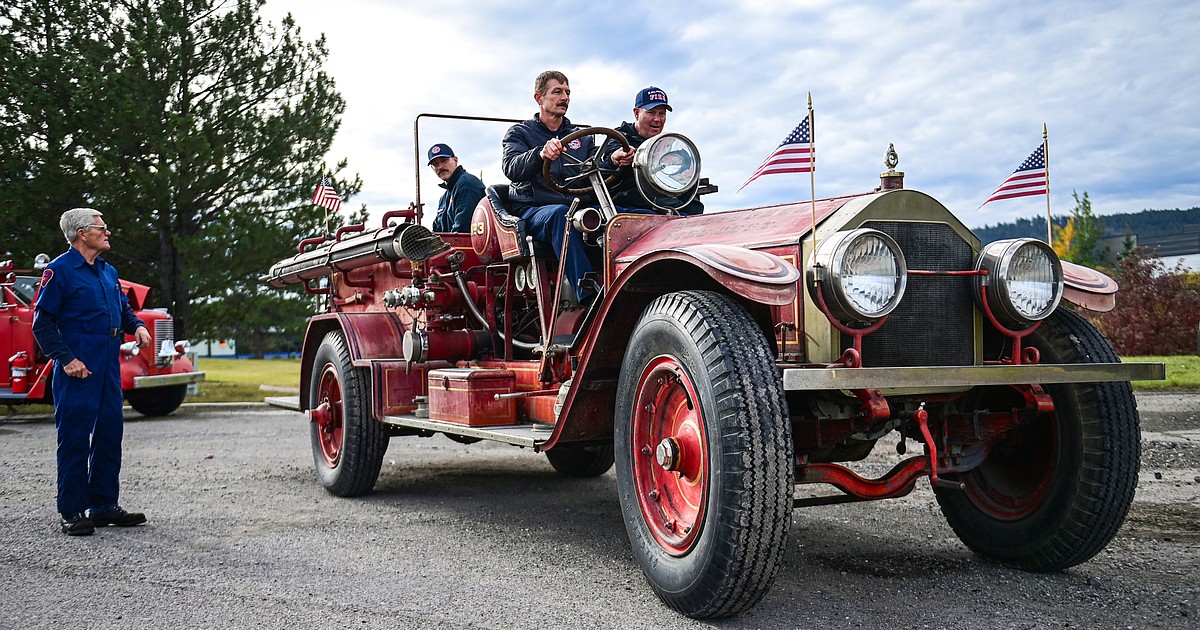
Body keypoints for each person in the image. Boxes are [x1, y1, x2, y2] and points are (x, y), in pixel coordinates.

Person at [33, 208, 152, 536]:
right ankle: (71, 510)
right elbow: (42, 324)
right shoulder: (59, 271)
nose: (108, 232)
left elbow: (123, 309)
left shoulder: (107, 271)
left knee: (110, 433)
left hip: (108, 362)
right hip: (78, 365)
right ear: (82, 233)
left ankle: (102, 505)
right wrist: (66, 359)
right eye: (102, 227)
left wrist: (137, 326)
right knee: (74, 437)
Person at [501, 70, 598, 304]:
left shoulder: (582, 137)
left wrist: (615, 159)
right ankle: (590, 296)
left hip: (576, 206)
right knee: (560, 216)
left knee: (616, 217)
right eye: (557, 92)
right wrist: (540, 153)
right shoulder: (519, 133)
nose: (564, 97)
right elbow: (511, 167)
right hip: (535, 210)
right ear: (539, 98)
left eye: (567, 92)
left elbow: (597, 167)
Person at [603, 86, 703, 215]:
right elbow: (610, 158)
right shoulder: (618, 139)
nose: (657, 119)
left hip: (669, 211)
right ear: (636, 113)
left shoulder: (670, 144)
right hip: (628, 209)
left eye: (662, 114)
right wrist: (615, 159)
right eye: (651, 112)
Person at [428, 143, 485, 233]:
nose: (440, 167)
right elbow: (437, 230)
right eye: (435, 164)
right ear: (432, 168)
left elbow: (461, 231)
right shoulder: (444, 198)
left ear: (455, 160)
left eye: (444, 160)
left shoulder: (466, 185)